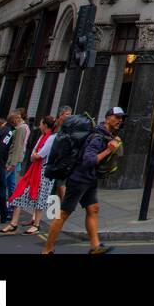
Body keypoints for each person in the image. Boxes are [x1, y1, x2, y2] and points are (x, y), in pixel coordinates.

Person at [41, 106, 124, 254]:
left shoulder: (105, 134)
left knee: (93, 209)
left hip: (89, 179)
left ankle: (95, 246)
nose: (119, 120)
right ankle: (47, 250)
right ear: (107, 118)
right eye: (116, 117)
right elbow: (88, 160)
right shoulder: (97, 137)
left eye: (121, 118)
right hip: (79, 179)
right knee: (64, 214)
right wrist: (108, 150)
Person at [6, 115, 56, 235]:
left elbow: (40, 154)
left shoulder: (52, 138)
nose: (39, 125)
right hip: (34, 170)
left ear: (45, 125)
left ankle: (36, 224)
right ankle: (13, 223)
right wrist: (35, 155)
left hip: (45, 172)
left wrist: (35, 155)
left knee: (40, 199)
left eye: (41, 123)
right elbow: (34, 153)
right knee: (20, 193)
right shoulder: (42, 136)